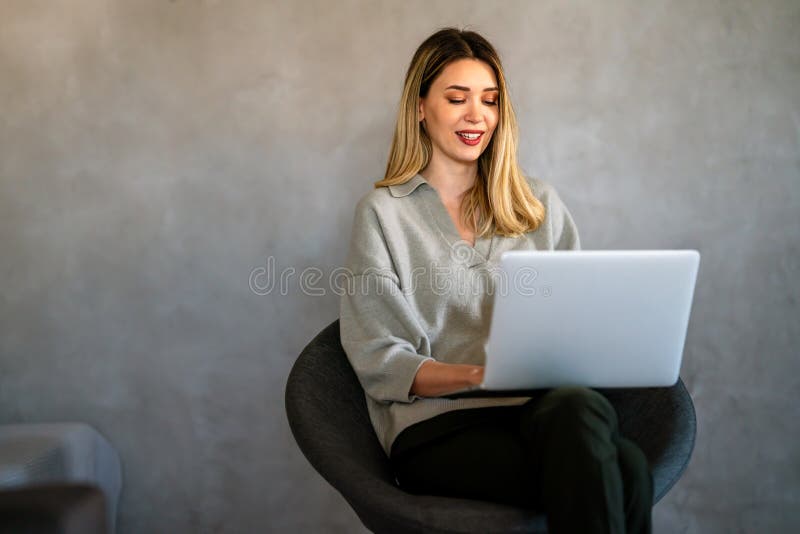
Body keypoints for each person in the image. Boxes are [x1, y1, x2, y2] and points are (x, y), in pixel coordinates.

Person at [339, 27, 653, 533]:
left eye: (489, 100)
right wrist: (479, 374)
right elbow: (379, 358)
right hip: (440, 427)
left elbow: (577, 320)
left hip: (545, 414)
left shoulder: (538, 204)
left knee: (582, 415)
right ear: (420, 108)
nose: (476, 115)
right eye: (456, 98)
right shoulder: (384, 215)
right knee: (627, 472)